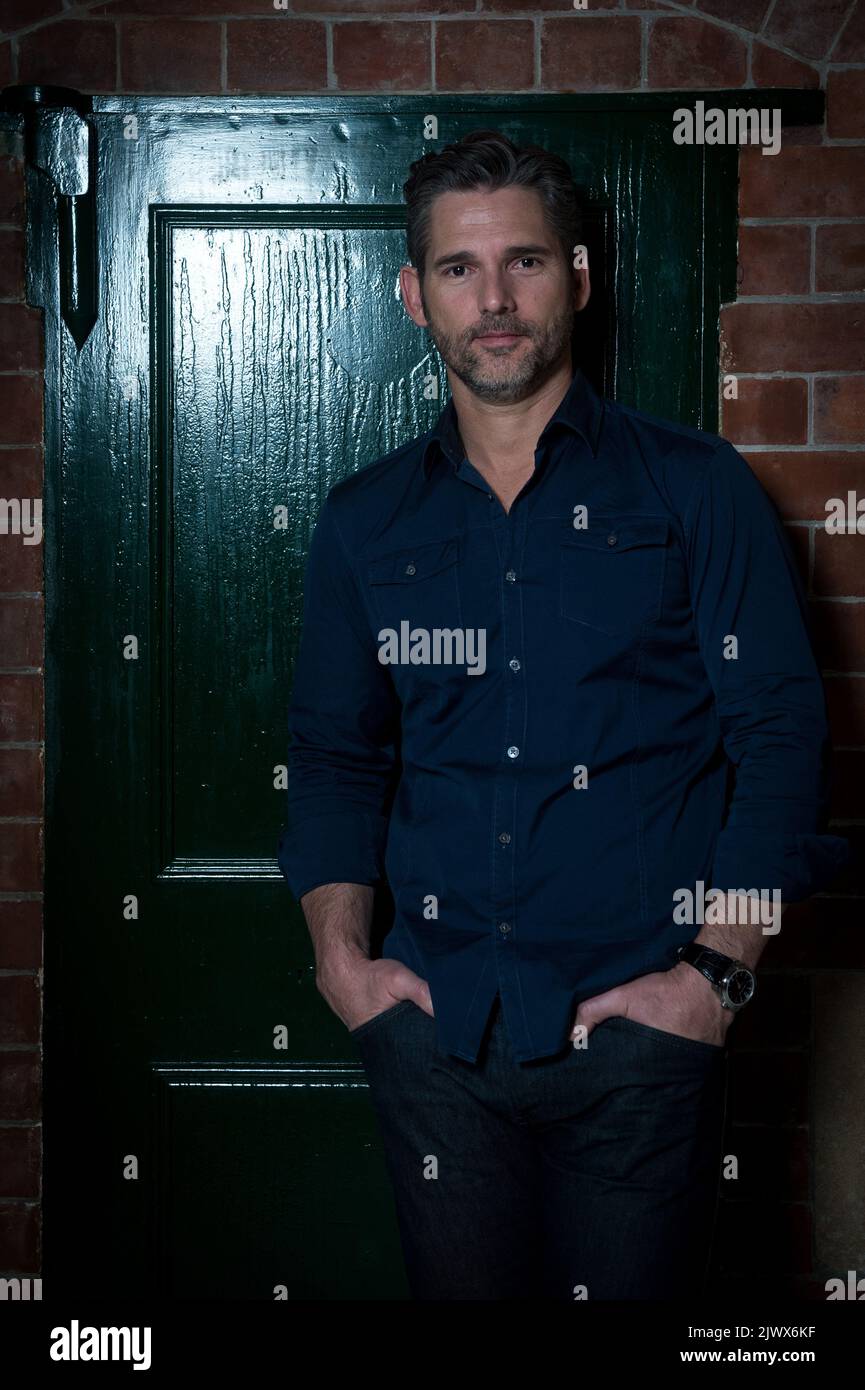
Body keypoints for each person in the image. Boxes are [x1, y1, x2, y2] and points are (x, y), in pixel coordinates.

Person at [277, 130, 849, 1301]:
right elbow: (335, 757)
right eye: (457, 269)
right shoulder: (363, 524)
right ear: (413, 296)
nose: (493, 299)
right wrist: (343, 965)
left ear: (578, 279)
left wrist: (717, 974)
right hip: (436, 1041)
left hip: (644, 1037)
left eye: (524, 263)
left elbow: (780, 741)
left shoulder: (694, 490)